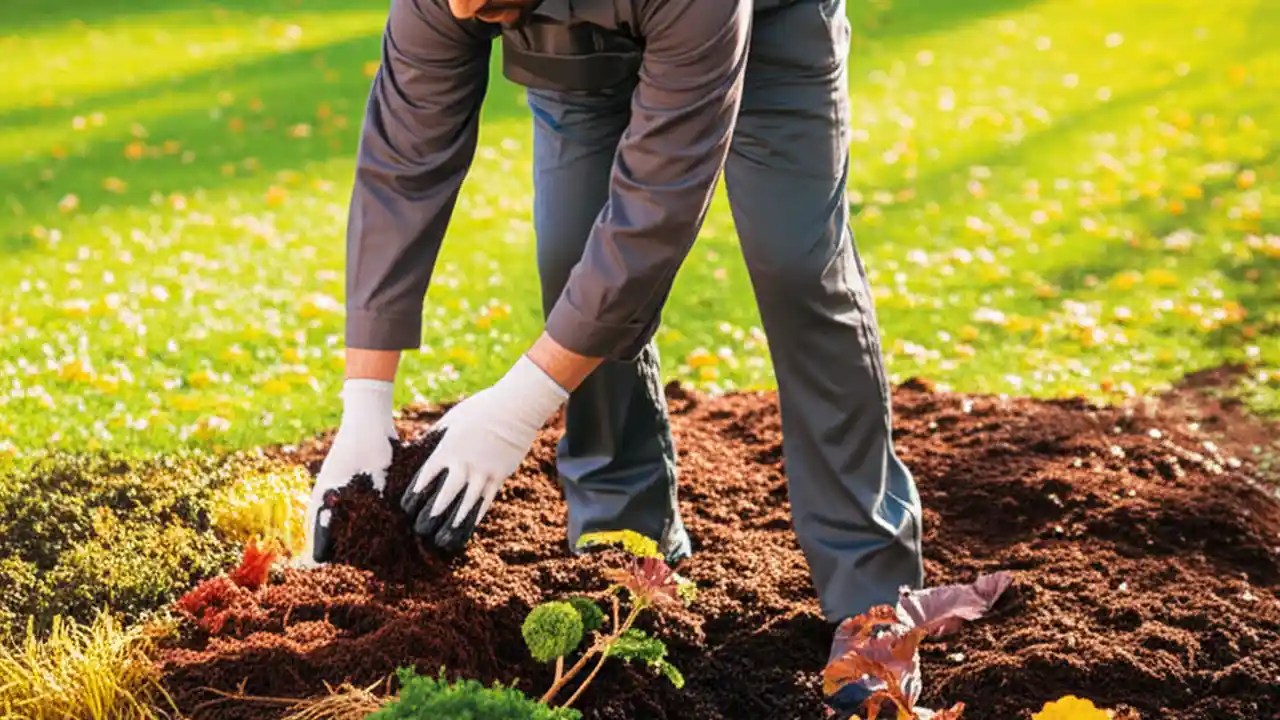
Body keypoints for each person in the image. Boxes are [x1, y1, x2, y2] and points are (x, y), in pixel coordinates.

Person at [302, 0, 923, 711]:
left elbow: (652, 216)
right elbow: (402, 161)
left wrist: (519, 408)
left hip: (764, 24)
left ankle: (873, 597)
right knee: (572, 258)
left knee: (797, 267)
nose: (468, 8)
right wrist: (364, 405)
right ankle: (626, 545)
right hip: (577, 52)